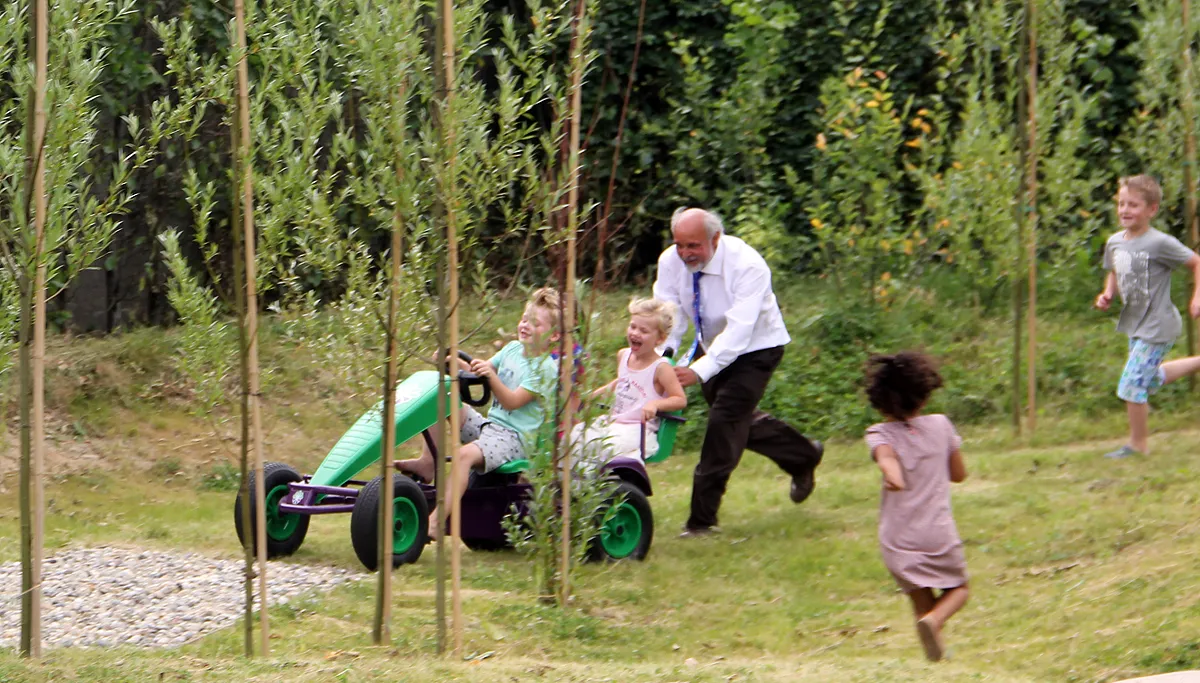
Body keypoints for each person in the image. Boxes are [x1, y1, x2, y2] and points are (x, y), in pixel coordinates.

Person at [652, 207, 823, 537]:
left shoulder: (747, 264)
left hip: (756, 347)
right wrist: (663, 361)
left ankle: (701, 522)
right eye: (679, 245)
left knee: (723, 423)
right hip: (711, 343)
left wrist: (698, 371)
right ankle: (804, 455)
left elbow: (739, 330)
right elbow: (667, 319)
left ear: (715, 238)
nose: (685, 253)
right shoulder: (669, 261)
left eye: (694, 246)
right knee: (735, 421)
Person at [397, 287, 561, 537]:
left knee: (463, 456)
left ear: (554, 335)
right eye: (524, 319)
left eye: (535, 323)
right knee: (440, 398)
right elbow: (478, 374)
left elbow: (511, 402)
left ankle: (436, 521)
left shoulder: (545, 369)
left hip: (516, 440)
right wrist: (454, 363)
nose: (525, 325)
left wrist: (491, 376)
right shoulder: (512, 349)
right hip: (491, 429)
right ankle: (427, 463)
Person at [864, 351, 968, 663]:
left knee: (920, 594)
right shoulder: (941, 425)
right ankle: (935, 623)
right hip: (936, 532)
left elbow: (886, 459)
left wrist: (893, 476)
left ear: (879, 400)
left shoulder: (878, 433)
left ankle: (934, 647)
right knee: (960, 588)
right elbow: (960, 475)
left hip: (898, 538)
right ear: (923, 395)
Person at [1095, 174, 1200, 459]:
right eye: (1121, 204)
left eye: (1134, 205)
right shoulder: (1115, 242)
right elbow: (1115, 270)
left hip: (1160, 325)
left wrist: (1197, 296)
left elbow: (1196, 263)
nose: (1125, 210)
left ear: (1152, 210)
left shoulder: (1160, 243)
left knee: (1131, 384)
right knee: (1149, 380)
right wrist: (1107, 294)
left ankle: (1138, 445)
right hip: (1136, 325)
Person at [571, 297, 687, 465]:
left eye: (643, 331)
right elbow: (622, 383)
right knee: (575, 435)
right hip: (614, 421)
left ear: (660, 339)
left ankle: (592, 482)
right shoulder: (624, 355)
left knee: (600, 446)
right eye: (632, 326)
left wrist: (655, 405)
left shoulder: (661, 368)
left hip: (637, 429)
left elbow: (680, 399)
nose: (635, 333)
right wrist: (591, 396)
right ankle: (573, 484)